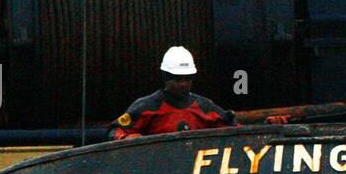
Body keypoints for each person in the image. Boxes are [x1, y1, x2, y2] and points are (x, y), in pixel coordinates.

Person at [110, 46, 279, 139]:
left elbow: (237, 132)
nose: (183, 84)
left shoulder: (206, 108)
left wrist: (266, 126)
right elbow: (114, 131)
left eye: (187, 79)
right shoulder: (146, 107)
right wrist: (126, 139)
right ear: (165, 77)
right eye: (177, 79)